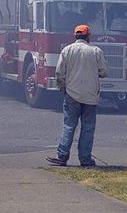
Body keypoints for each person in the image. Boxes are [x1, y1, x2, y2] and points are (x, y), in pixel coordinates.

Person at [46, 24, 109, 167]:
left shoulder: (67, 50)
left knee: (69, 125)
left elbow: (59, 73)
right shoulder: (95, 51)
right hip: (91, 96)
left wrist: (62, 88)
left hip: (72, 94)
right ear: (88, 36)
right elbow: (104, 72)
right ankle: (85, 159)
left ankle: (62, 156)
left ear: (75, 36)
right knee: (87, 127)